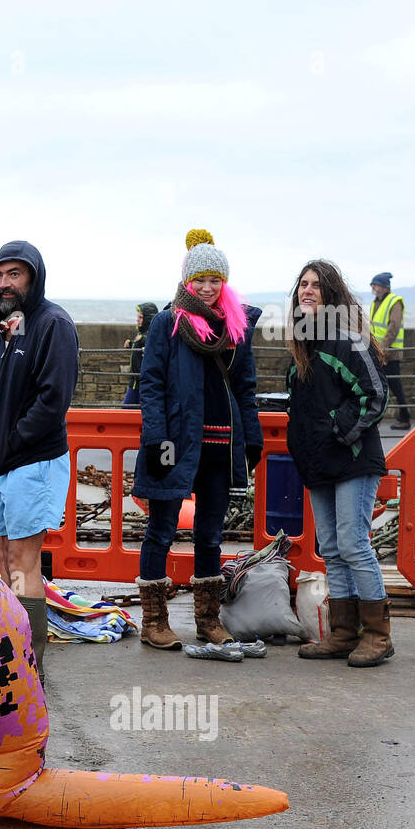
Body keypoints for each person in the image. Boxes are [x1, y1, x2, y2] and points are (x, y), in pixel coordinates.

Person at [131, 230, 263, 650]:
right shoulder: (166, 324)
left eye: (215, 281)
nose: (207, 288)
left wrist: (252, 438)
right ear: (187, 281)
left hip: (221, 449)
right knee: (161, 529)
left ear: (225, 283)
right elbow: (150, 384)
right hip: (174, 444)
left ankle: (207, 620)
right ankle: (154, 622)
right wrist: (155, 440)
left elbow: (245, 388)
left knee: (210, 534)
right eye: (200, 280)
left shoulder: (236, 328)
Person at [0, 241, 80, 677]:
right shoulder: (5, 326)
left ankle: (28, 666)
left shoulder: (54, 324)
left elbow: (54, 400)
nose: (4, 282)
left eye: (15, 273)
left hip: (31, 461)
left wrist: (12, 441)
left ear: (34, 276)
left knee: (22, 559)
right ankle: (7, 645)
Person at [285, 259, 392, 667]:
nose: (306, 291)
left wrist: (337, 431)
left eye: (315, 285)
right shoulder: (303, 346)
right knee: (330, 548)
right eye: (302, 285)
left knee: (353, 544)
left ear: (330, 294)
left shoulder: (348, 341)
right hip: (319, 464)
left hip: (352, 459)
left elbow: (375, 396)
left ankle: (379, 636)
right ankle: (345, 632)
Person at [369, 272, 410, 430]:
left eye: (375, 284)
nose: (373, 287)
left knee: (394, 386)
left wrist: (382, 348)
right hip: (380, 351)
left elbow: (393, 327)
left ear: (384, 287)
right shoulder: (376, 302)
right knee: (381, 385)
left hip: (389, 352)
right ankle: (385, 416)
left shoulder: (394, 302)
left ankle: (405, 417)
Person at [121, 302, 158, 407]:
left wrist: (141, 340)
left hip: (144, 383)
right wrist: (132, 344)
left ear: (148, 319)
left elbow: (153, 347)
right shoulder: (142, 334)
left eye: (141, 317)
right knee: (127, 412)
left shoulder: (151, 334)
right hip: (135, 382)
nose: (138, 319)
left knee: (130, 413)